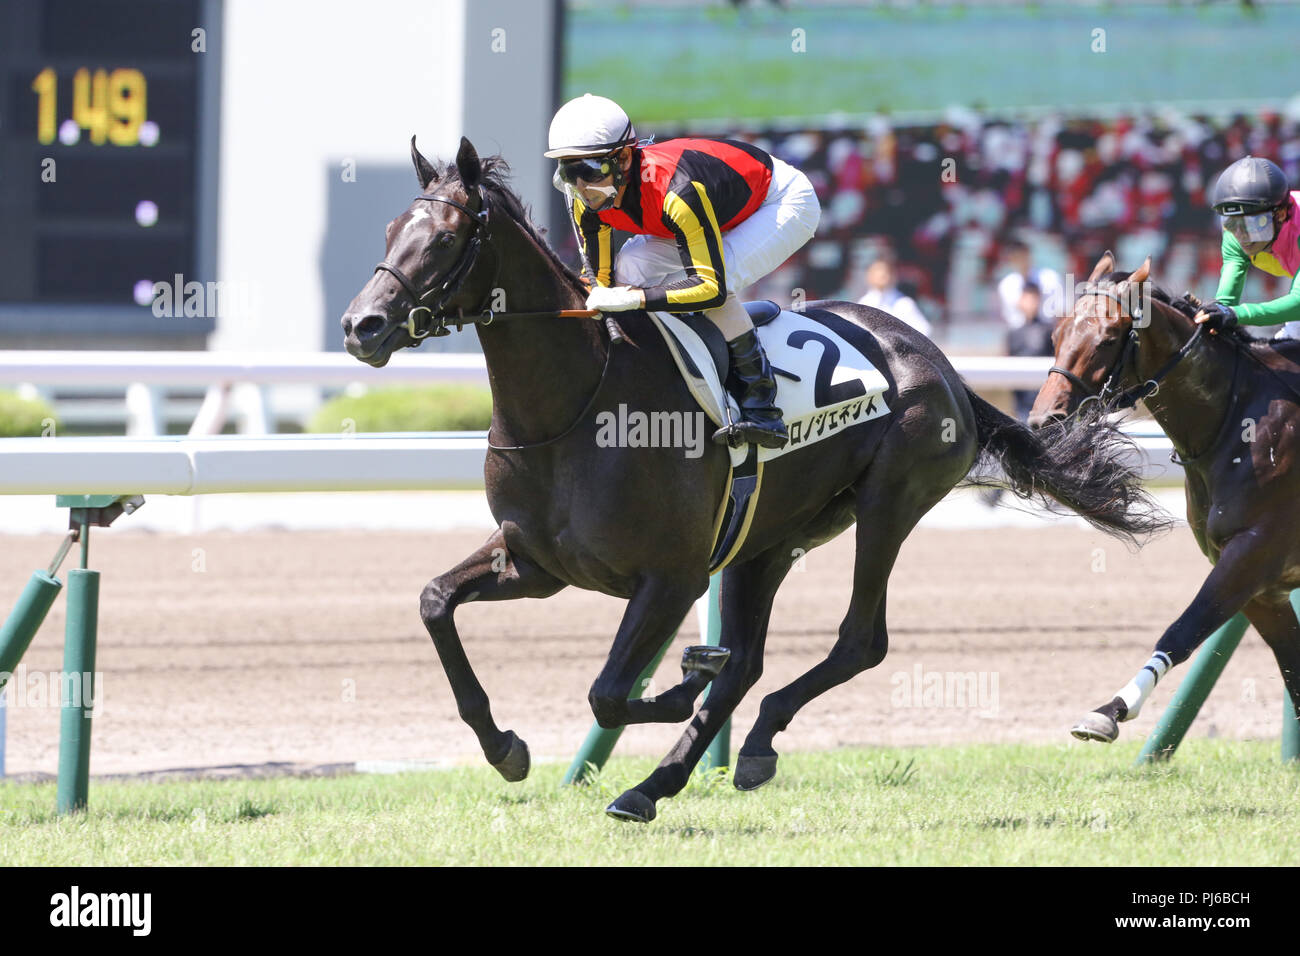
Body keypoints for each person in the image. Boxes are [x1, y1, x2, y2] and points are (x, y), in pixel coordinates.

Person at [545, 93, 822, 449]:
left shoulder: (677, 192)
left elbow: (711, 286)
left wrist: (633, 299)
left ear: (625, 157)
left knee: (719, 283)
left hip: (778, 201)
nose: (581, 187)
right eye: (569, 171)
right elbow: (601, 279)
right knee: (625, 268)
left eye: (590, 170)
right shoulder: (586, 200)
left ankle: (762, 408)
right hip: (711, 210)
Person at [1193, 156, 1300, 337]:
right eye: (1231, 222)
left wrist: (1235, 314)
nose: (1240, 235)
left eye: (1251, 223)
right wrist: (1214, 313)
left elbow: (1298, 304)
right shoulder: (1234, 233)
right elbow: (1226, 302)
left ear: (1280, 214)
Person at [996, 238, 1064, 330]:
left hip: (1048, 329)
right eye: (1016, 257)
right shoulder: (1007, 284)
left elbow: (1061, 309)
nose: (1021, 260)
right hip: (1019, 332)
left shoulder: (1050, 278)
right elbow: (1025, 310)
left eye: (1022, 255)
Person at [857, 256, 932, 337]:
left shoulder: (904, 304)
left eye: (885, 272)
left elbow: (924, 330)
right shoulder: (864, 303)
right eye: (876, 272)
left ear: (892, 275)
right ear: (869, 276)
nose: (881, 275)